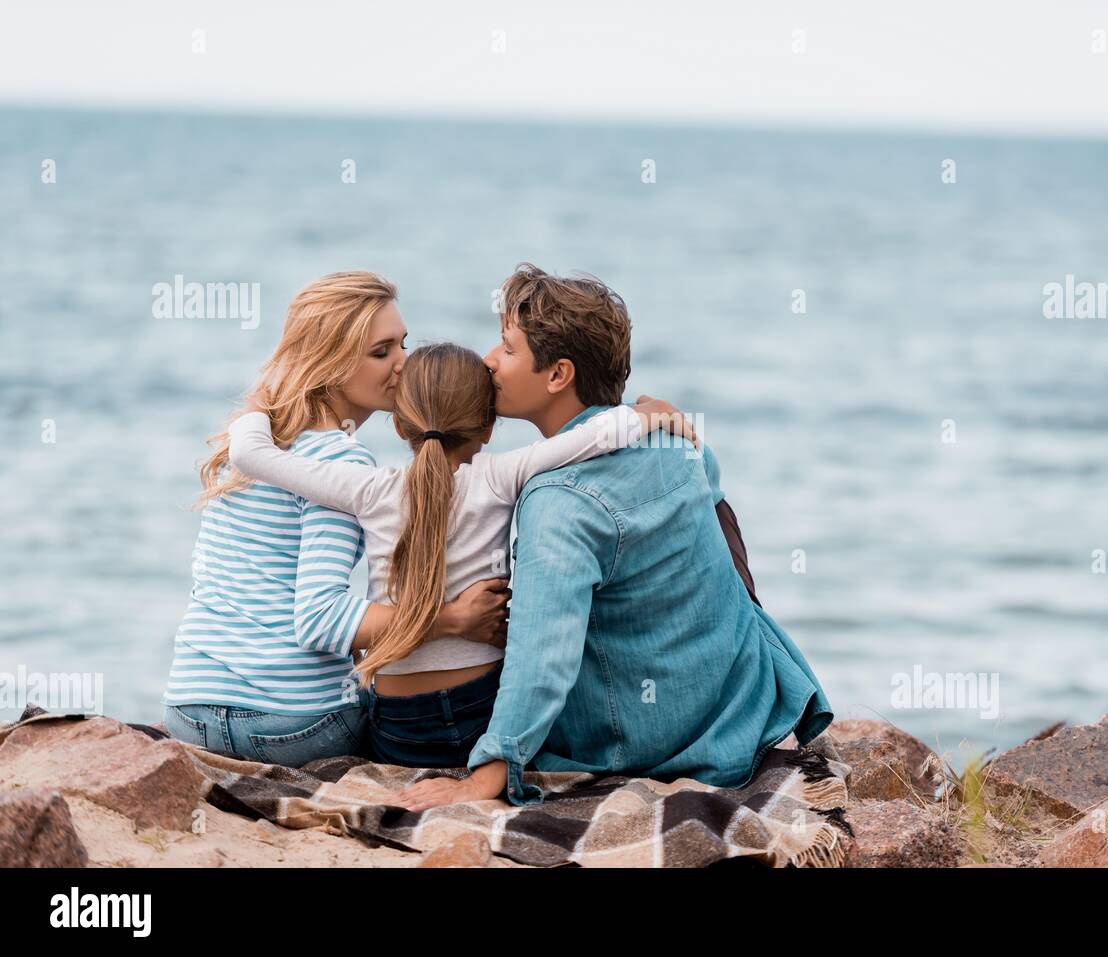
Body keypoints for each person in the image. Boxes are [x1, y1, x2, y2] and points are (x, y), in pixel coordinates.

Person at [393, 264, 834, 810]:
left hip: (650, 743)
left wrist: (483, 778)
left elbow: (543, 655)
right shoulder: (679, 442)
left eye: (507, 349)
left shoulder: (557, 502)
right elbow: (718, 509)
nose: (488, 360)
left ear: (558, 375)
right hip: (741, 707)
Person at [226, 339, 697, 767]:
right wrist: (648, 414)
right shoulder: (499, 476)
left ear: (397, 424)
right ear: (488, 427)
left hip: (399, 732)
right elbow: (587, 438)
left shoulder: (366, 489)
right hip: (480, 718)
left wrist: (268, 398)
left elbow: (250, 455)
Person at [161, 272, 505, 766]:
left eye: (402, 345)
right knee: (410, 708)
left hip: (188, 712)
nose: (403, 364)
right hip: (291, 726)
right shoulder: (339, 462)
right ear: (331, 360)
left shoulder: (262, 440)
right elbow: (320, 621)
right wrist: (452, 620)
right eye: (381, 351)